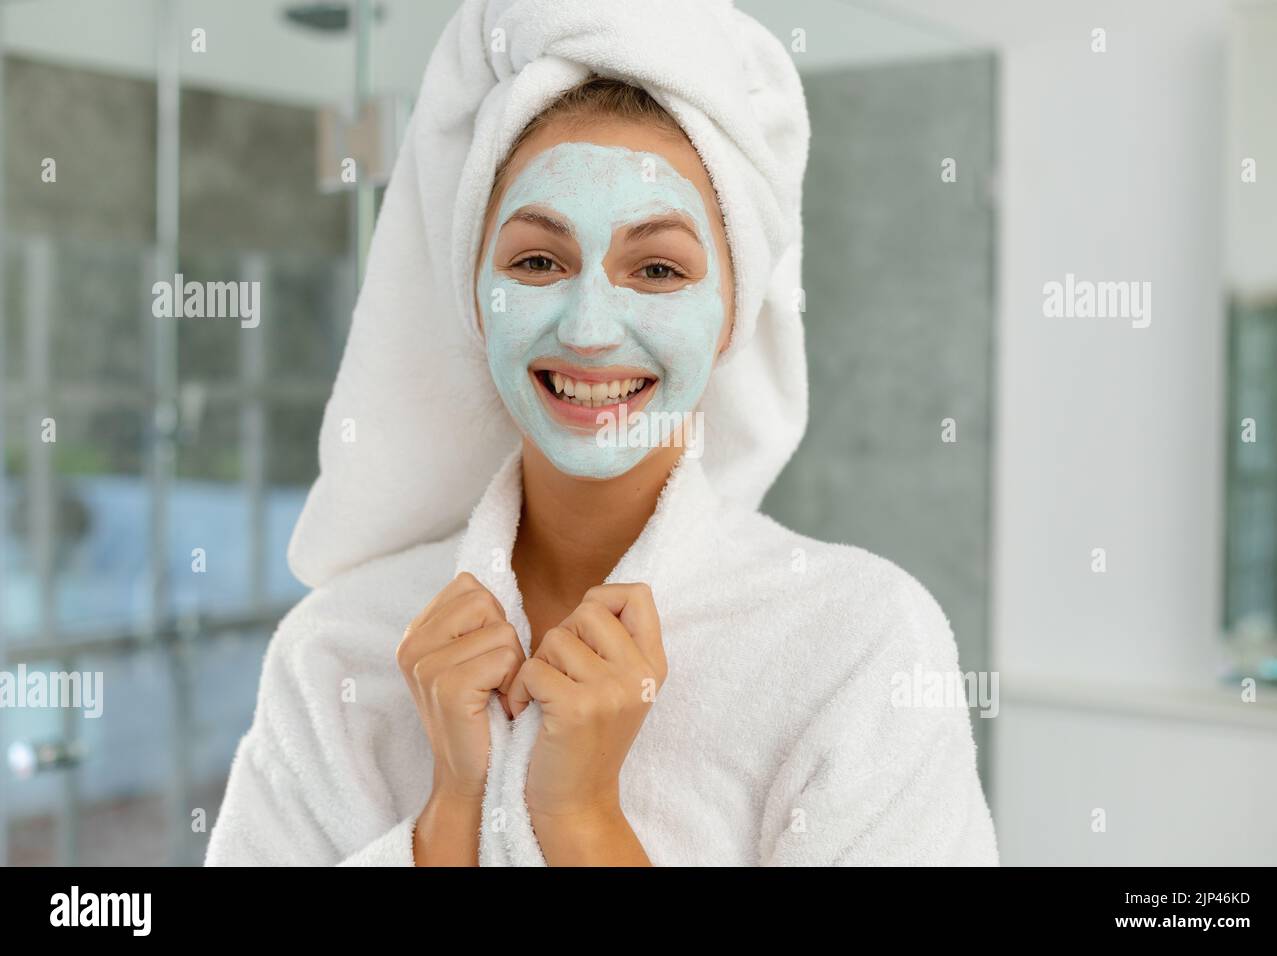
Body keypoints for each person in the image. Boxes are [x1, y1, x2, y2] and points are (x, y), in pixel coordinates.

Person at [205, 0, 998, 867]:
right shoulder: (338, 651)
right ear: (475, 299)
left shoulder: (856, 645)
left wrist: (582, 821)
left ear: (732, 313)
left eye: (657, 268)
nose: (588, 328)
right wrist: (447, 824)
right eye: (538, 261)